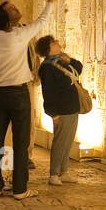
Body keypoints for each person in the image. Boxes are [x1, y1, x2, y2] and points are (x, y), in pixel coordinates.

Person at [0, 0, 58, 198]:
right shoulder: (18, 36)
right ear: (6, 25)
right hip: (18, 93)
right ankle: (20, 188)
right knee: (21, 142)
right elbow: (41, 22)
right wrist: (49, 3)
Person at [0, 0, 38, 168]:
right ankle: (7, 158)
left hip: (28, 80)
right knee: (9, 122)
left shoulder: (26, 29)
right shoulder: (3, 35)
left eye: (15, 6)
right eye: (11, 8)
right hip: (11, 82)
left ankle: (26, 155)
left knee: (29, 119)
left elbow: (33, 54)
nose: (16, 8)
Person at [35, 35, 82, 186]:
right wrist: (53, 114)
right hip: (61, 109)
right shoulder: (47, 67)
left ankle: (64, 171)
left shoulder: (62, 60)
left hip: (72, 107)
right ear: (48, 49)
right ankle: (54, 173)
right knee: (60, 142)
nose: (57, 42)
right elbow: (48, 92)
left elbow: (78, 69)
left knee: (68, 141)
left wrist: (71, 61)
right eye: (53, 42)